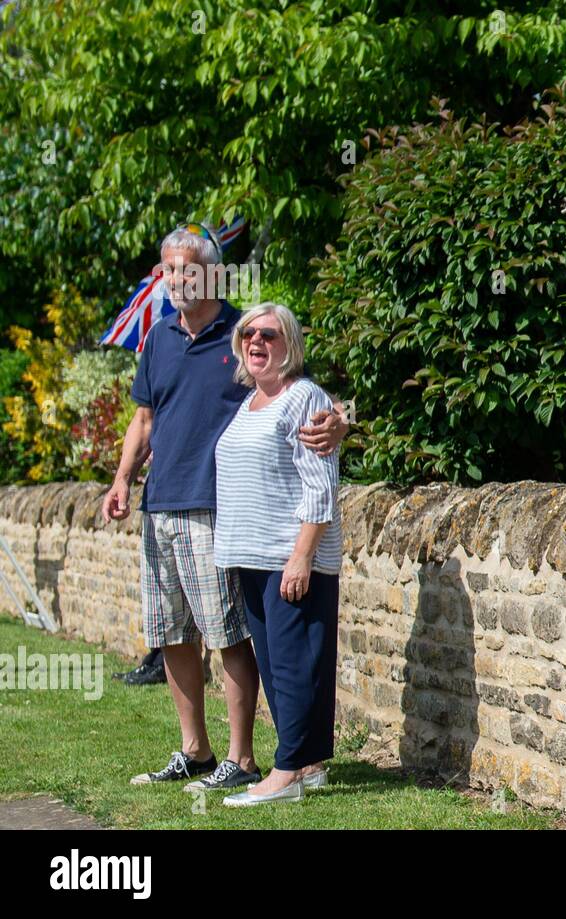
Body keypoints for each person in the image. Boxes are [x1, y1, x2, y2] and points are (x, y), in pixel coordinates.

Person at [103, 223, 347, 792]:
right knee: (171, 632)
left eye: (188, 269)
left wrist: (338, 423)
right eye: (167, 270)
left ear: (212, 272)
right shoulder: (159, 337)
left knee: (228, 632)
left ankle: (243, 756)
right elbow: (145, 419)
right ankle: (196, 750)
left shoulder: (243, 331)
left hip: (216, 510)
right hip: (159, 502)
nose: (176, 280)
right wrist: (122, 479)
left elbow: (297, 392)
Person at [215, 304, 341, 807]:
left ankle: (286, 771)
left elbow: (320, 486)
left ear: (290, 343)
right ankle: (308, 764)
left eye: (269, 333)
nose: (256, 340)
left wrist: (302, 557)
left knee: (294, 666)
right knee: (276, 666)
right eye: (248, 333)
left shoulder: (305, 396)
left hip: (287, 556)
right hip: (251, 555)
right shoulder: (249, 401)